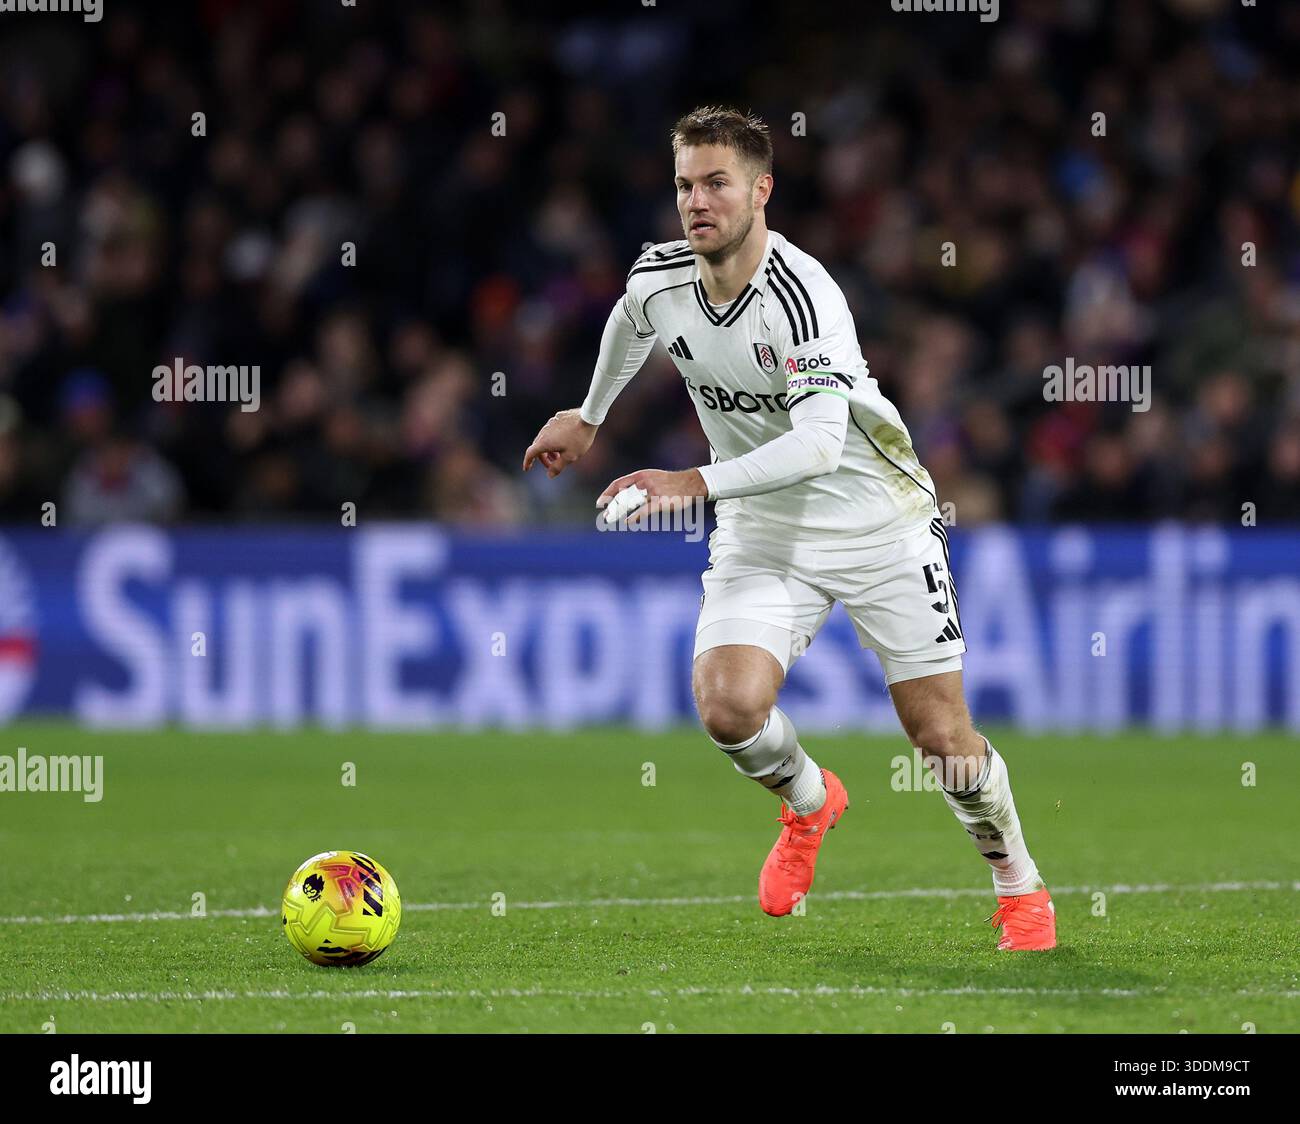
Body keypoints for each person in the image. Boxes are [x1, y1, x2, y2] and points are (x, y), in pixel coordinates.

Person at [523, 106, 1054, 950]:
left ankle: (1019, 886)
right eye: (684, 185)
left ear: (761, 189)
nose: (696, 201)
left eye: (716, 183)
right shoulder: (661, 277)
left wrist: (688, 482)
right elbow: (632, 319)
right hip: (763, 527)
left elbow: (816, 445)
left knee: (942, 738)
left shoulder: (803, 300)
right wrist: (588, 416)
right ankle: (810, 802)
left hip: (880, 524)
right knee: (728, 707)